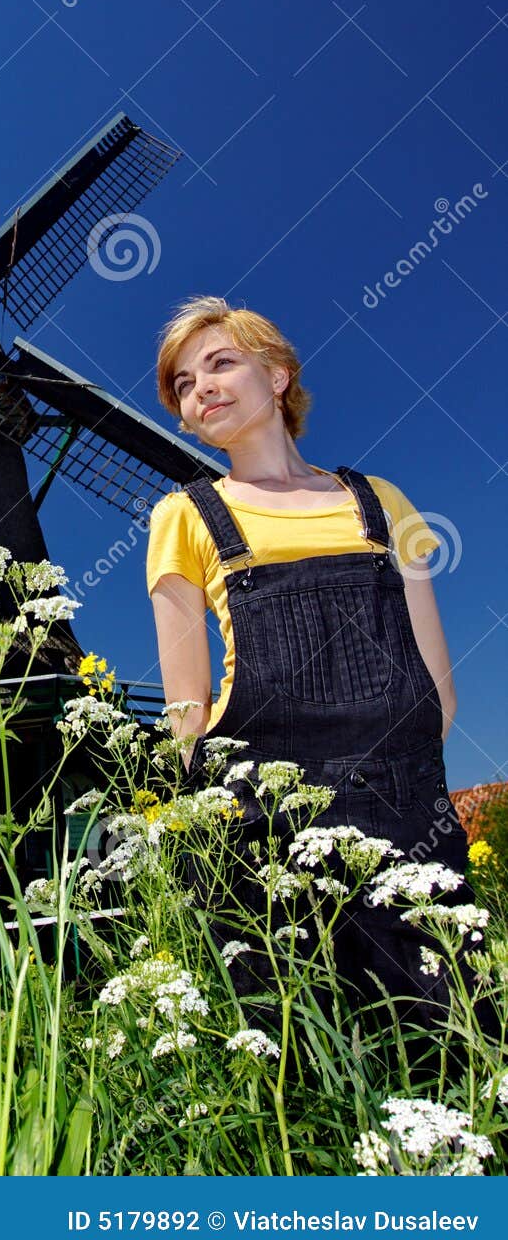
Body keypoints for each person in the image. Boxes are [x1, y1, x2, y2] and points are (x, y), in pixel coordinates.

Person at [145, 294, 494, 1044]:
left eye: (220, 363)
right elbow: (186, 706)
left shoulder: (379, 501)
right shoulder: (185, 515)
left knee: (446, 1025)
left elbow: (435, 684)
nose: (200, 387)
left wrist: (400, 778)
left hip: (400, 801)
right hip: (265, 813)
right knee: (300, 1039)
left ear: (276, 376)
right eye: (182, 383)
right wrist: (230, 814)